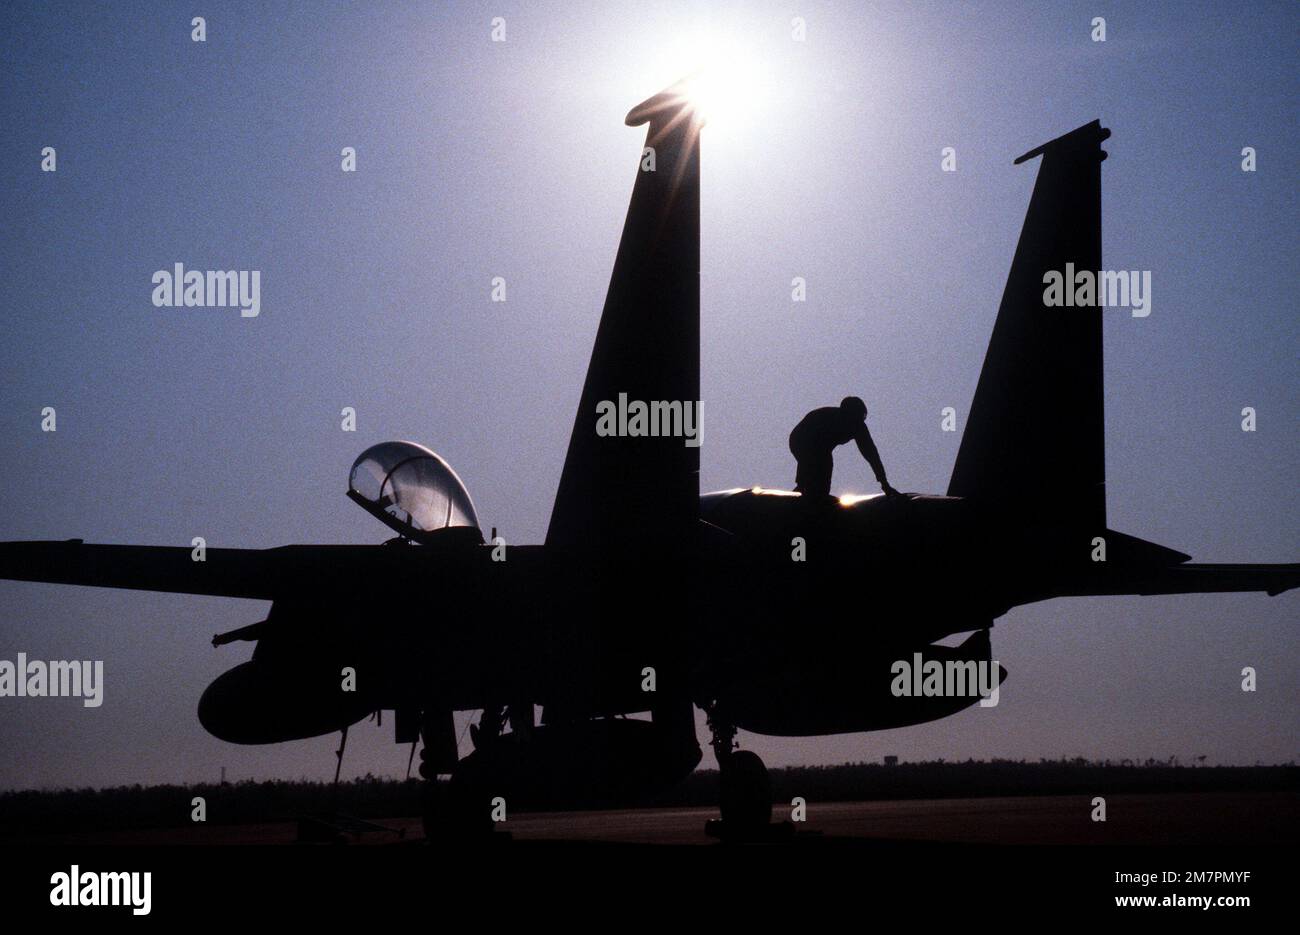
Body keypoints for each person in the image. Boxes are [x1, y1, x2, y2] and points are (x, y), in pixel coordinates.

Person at [788, 396, 899, 499]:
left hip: (816, 446)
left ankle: (812, 494)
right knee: (820, 469)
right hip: (801, 440)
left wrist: (884, 483)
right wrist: (804, 480)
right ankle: (803, 494)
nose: (854, 423)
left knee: (821, 476)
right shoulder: (828, 418)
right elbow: (810, 452)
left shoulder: (859, 427)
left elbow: (872, 454)